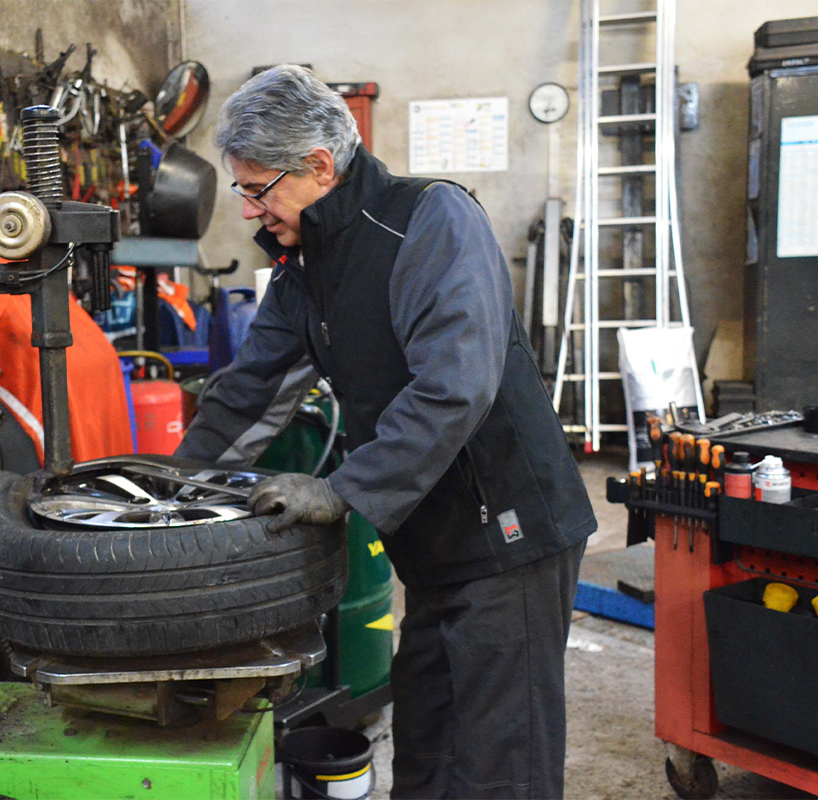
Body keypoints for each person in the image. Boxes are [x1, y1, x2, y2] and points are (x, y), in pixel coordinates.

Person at [176, 65, 596, 800]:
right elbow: (252, 390)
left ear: (319, 165)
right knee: (430, 745)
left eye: (257, 189)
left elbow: (452, 386)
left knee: (501, 764)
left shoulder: (430, 221)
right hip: (434, 544)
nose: (248, 211)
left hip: (508, 533)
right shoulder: (306, 262)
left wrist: (342, 490)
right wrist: (170, 492)